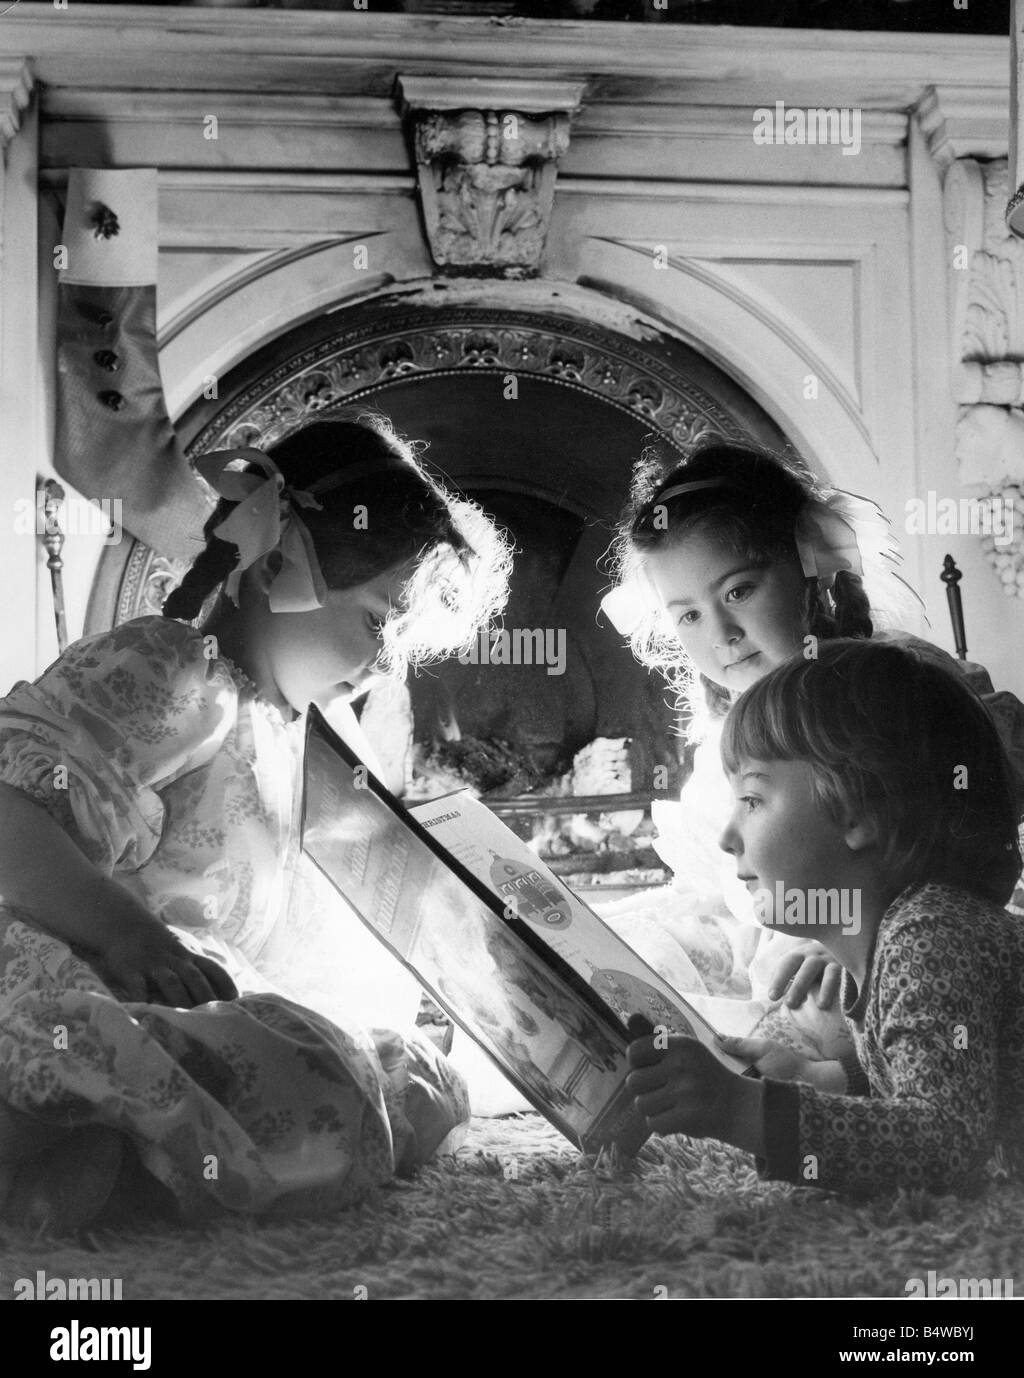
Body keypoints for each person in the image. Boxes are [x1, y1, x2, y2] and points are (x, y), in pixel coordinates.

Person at [0, 413, 511, 1231]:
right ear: (280, 563)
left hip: (183, 1008)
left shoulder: (289, 740)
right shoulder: (174, 671)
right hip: (80, 964)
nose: (384, 664)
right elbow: (9, 812)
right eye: (379, 621)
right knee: (322, 1078)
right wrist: (130, 935)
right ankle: (61, 1148)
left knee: (408, 1076)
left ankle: (118, 1155)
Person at [600, 442, 1024, 1060]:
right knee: (628, 959)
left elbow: (974, 850)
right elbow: (726, 885)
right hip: (765, 930)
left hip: (878, 943)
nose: (721, 634)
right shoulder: (733, 727)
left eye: (739, 591)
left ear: (807, 571)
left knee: (810, 1018)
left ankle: (778, 1092)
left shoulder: (889, 690)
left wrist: (851, 934)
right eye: (689, 616)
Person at [625, 639, 1024, 1195]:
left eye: (754, 800)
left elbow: (945, 1140)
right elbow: (927, 1079)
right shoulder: (896, 939)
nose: (726, 836)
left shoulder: (930, 936)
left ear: (858, 811)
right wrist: (815, 1078)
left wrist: (743, 1110)